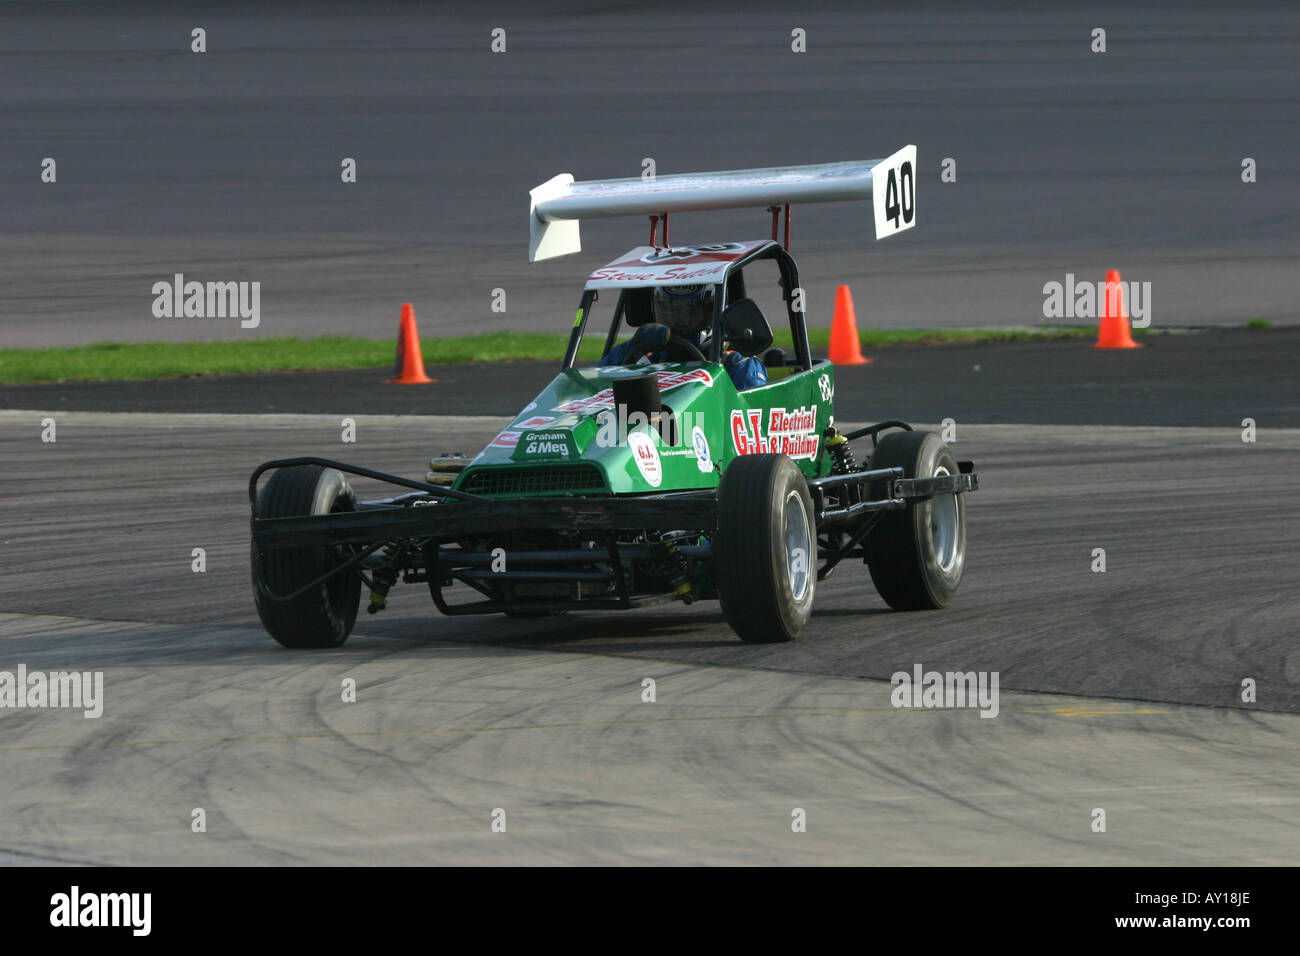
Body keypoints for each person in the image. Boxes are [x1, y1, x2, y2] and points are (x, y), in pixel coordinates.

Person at [599, 284, 768, 390]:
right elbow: (596, 383)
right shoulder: (648, 359)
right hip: (650, 436)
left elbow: (752, 419)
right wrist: (634, 345)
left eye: (689, 312)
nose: (678, 320)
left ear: (711, 311)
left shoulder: (736, 366)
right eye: (669, 311)